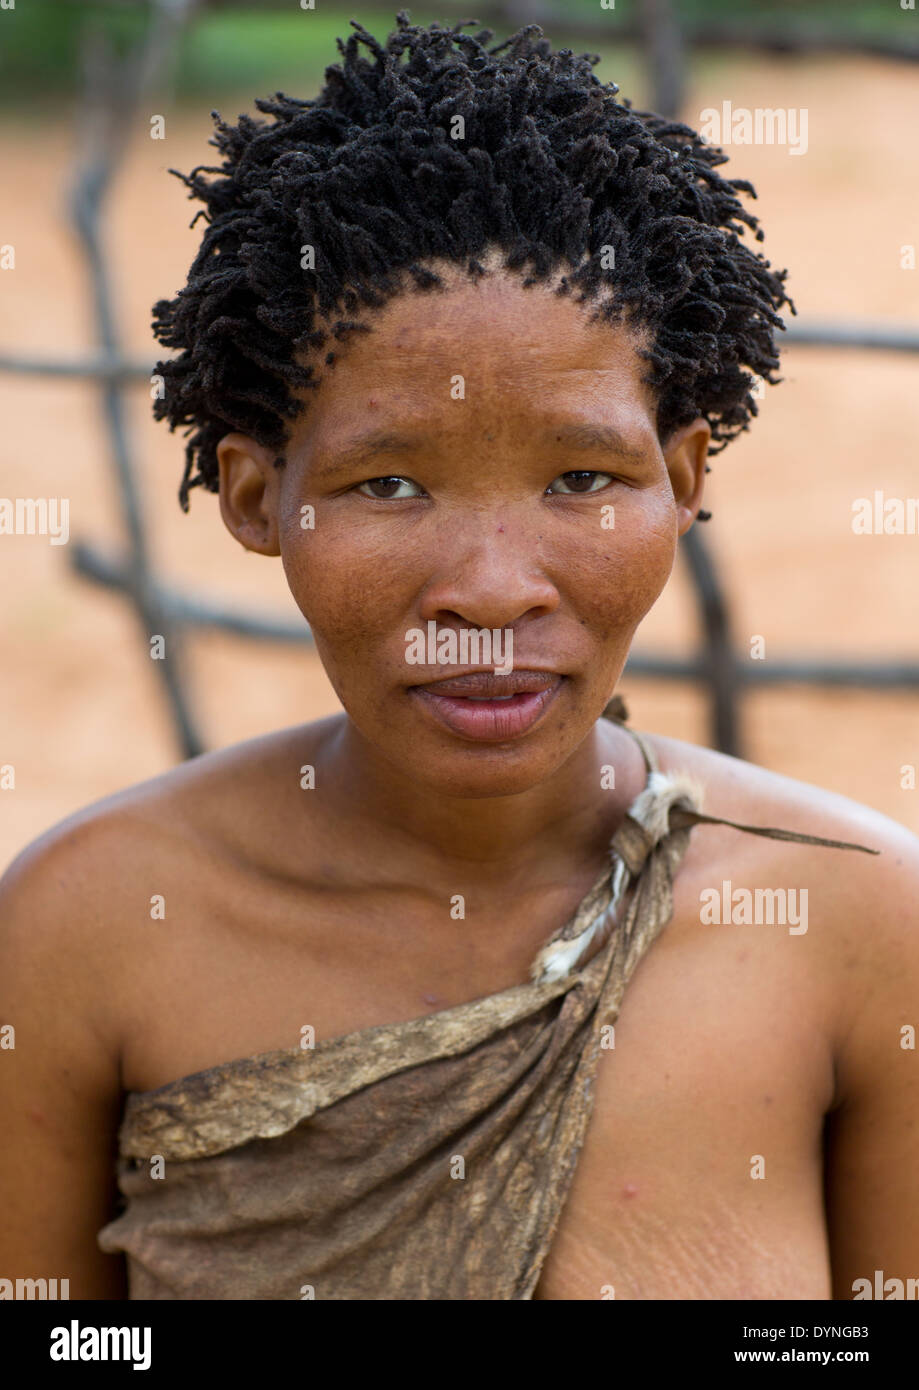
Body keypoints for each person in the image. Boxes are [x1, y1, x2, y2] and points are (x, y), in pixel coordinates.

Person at [2, 13, 917, 1301]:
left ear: (683, 479)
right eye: (387, 485)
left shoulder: (857, 924)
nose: (491, 588)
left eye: (582, 478)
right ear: (258, 499)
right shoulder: (85, 932)